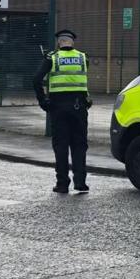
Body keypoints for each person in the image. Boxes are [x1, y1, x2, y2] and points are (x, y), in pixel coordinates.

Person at [33, 29, 92, 194]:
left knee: (61, 146)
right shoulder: (83, 57)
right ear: (72, 42)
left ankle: (62, 184)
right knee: (79, 145)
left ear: (59, 42)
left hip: (58, 108)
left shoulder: (52, 58)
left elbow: (36, 79)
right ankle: (80, 182)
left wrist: (43, 101)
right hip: (79, 107)